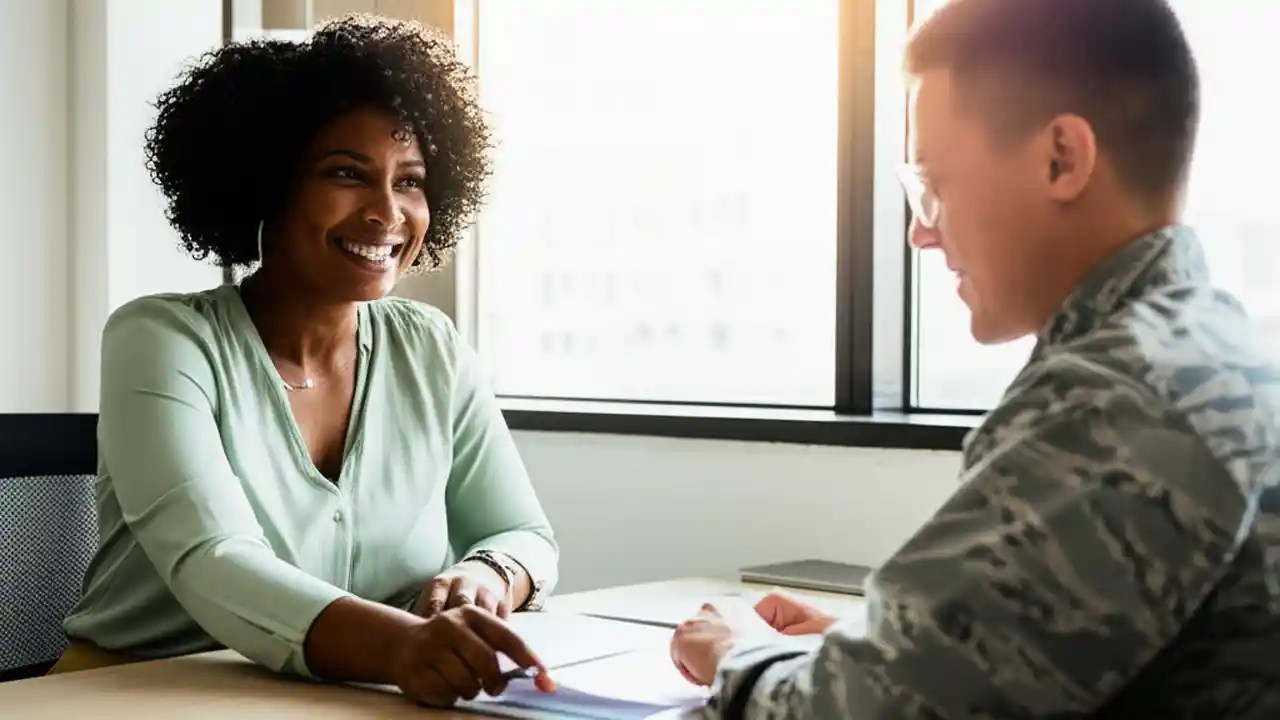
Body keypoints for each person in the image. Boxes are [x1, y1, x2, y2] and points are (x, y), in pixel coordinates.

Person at [671, 0, 1280, 717]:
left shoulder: (1115, 402)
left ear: (1062, 158)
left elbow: (863, 714)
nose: (920, 234)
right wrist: (887, 643)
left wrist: (737, 653)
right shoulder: (1219, 355)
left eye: (935, 185)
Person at [58, 14, 559, 707]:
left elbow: (523, 533)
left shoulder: (432, 351)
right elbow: (214, 559)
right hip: (132, 693)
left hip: (343, 695)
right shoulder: (161, 340)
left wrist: (487, 574)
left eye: (410, 181)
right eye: (348, 174)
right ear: (266, 185)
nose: (387, 212)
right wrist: (402, 646)